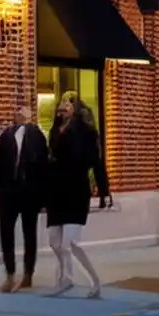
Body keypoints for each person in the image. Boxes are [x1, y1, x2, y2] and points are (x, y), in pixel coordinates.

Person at [45, 100, 109, 298]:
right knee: (55, 241)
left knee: (70, 243)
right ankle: (67, 278)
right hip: (57, 191)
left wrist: (103, 190)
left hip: (76, 189)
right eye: (60, 106)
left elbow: (96, 162)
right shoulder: (54, 133)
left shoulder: (86, 132)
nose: (62, 109)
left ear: (74, 110)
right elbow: (50, 161)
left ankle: (95, 281)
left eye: (67, 106)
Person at [0, 109, 49, 293]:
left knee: (29, 233)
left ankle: (28, 274)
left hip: (30, 192)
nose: (20, 114)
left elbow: (43, 166)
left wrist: (44, 197)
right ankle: (10, 274)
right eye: (18, 112)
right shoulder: (6, 136)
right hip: (9, 192)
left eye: (24, 112)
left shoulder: (38, 136)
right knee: (6, 232)